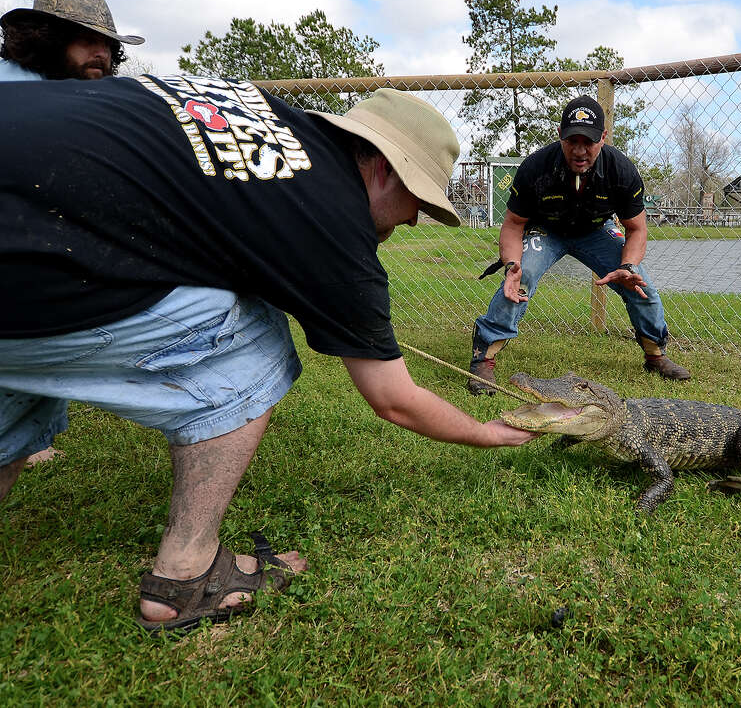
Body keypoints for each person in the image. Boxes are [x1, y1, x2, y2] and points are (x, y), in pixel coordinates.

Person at [0, 77, 535, 632]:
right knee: (255, 345)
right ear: (382, 168)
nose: (413, 220)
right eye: (418, 200)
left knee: (24, 355)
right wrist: (488, 433)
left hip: (28, 214)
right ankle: (185, 577)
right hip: (33, 253)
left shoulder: (274, 123)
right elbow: (394, 399)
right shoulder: (333, 216)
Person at [1, 0, 145, 467]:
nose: (101, 52)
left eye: (107, 43)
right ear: (44, 38)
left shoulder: (69, 94)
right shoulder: (16, 90)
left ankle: (23, 441)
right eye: (85, 39)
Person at [467, 95, 690, 395]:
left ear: (603, 138)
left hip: (596, 231)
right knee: (522, 276)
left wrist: (627, 266)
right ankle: (484, 356)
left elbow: (636, 229)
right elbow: (513, 225)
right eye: (573, 140)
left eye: (590, 141)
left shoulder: (621, 170)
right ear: (560, 136)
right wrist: (510, 266)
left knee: (640, 286)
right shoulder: (535, 167)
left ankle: (655, 355)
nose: (580, 151)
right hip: (546, 230)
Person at [0, 0, 143, 81]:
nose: (104, 54)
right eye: (89, 40)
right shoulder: (14, 87)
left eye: (108, 45)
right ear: (49, 42)